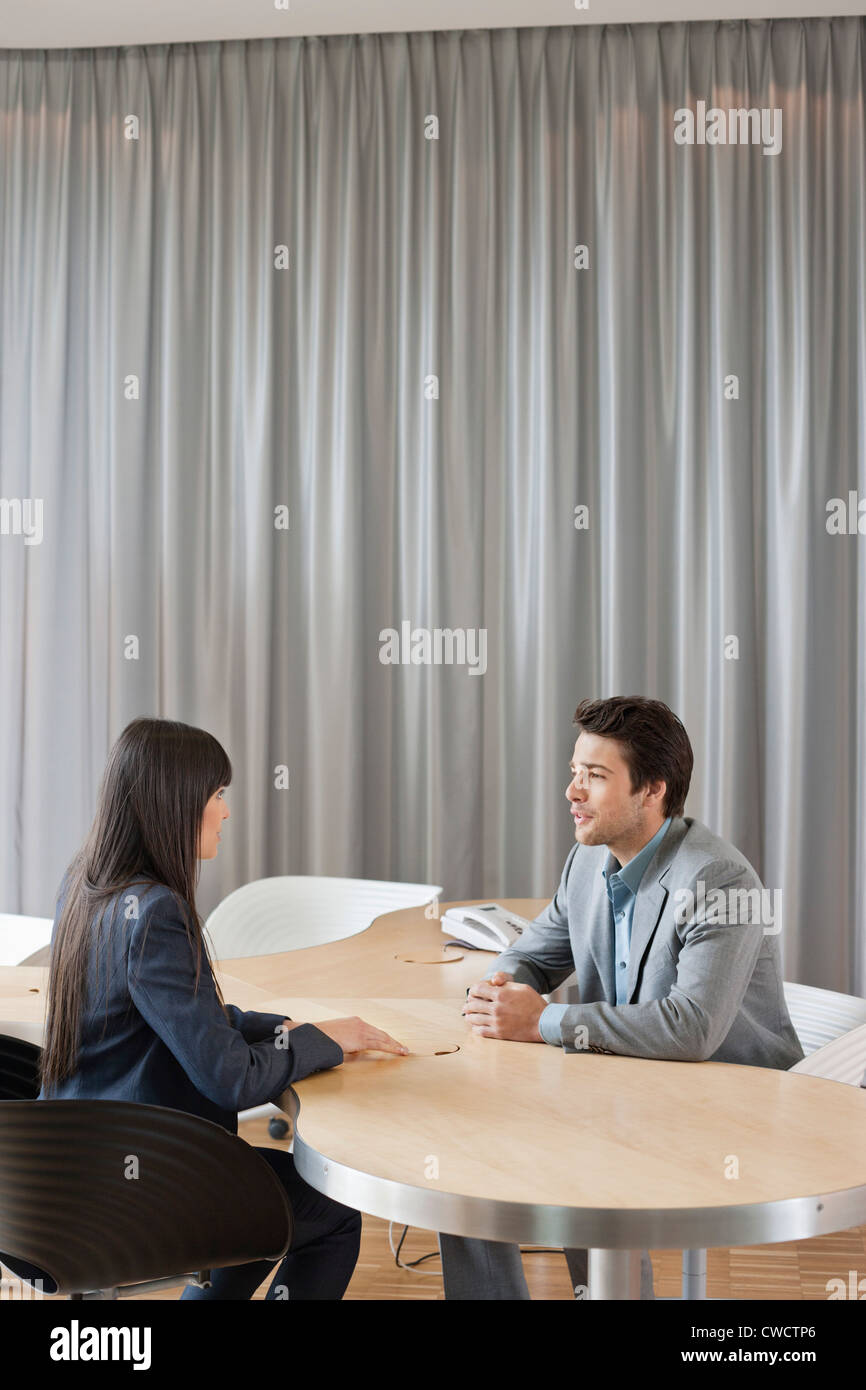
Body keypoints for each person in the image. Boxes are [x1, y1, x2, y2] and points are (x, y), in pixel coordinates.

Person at [439, 695, 804, 1300]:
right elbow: (532, 953)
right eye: (575, 771)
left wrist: (545, 1021)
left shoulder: (718, 879)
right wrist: (503, 987)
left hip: (728, 1103)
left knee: (570, 1145)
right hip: (629, 1085)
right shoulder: (588, 864)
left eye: (596, 776)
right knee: (465, 1154)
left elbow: (692, 1028)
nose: (572, 791)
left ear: (653, 789)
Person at [38, 716, 408, 1300]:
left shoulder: (85, 886)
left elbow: (165, 1020)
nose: (226, 812)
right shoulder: (157, 910)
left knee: (260, 1197)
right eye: (218, 795)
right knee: (334, 1213)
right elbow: (229, 1080)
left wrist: (284, 1030)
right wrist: (324, 1041)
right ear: (176, 802)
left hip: (69, 1178)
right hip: (143, 1185)